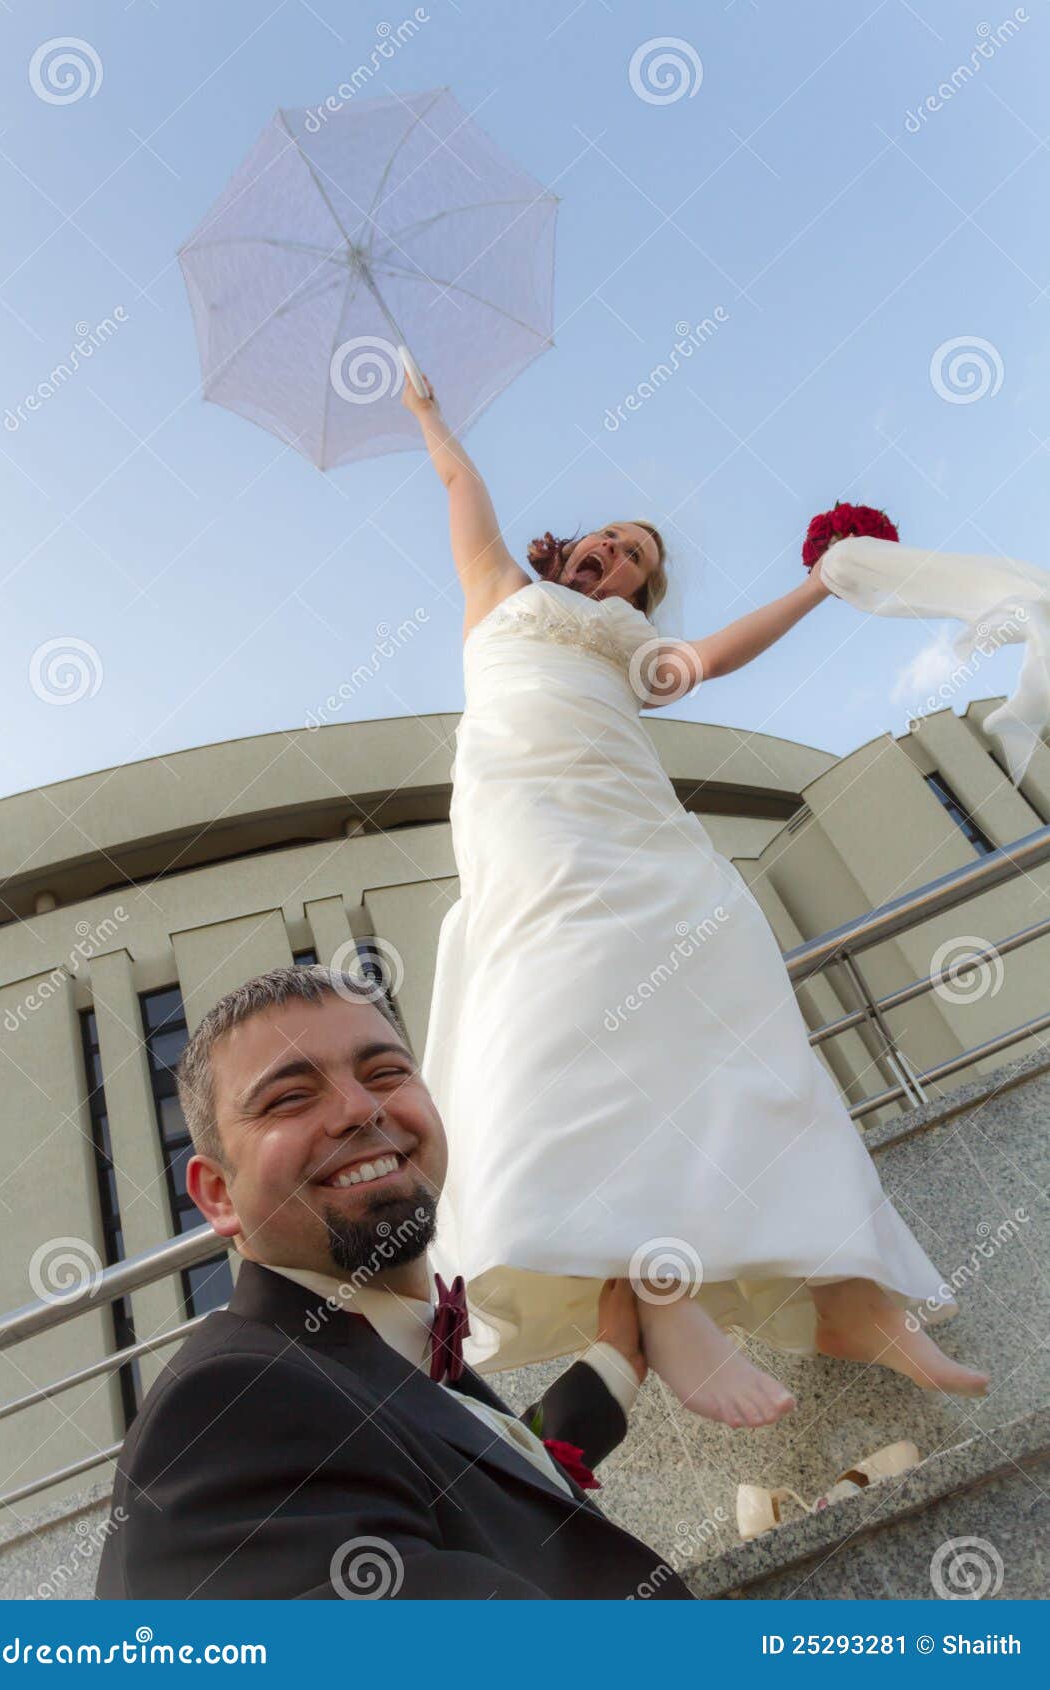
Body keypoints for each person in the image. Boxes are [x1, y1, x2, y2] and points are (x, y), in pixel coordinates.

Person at [404, 369, 990, 1432]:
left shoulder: (636, 653)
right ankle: (652, 1290)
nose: (618, 554)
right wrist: (427, 410)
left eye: (639, 558)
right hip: (530, 820)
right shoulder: (497, 591)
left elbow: (718, 654)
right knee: (569, 1012)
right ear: (570, 546)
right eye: (611, 538)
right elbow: (456, 480)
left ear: (635, 591)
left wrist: (821, 580)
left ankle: (856, 1301)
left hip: (643, 830)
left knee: (725, 1018)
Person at [94, 966, 692, 1601]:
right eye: (291, 1097)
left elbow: (470, 1476)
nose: (361, 1108)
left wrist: (614, 1362)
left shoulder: (360, 1369)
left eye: (385, 1073)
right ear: (218, 1196)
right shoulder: (228, 1406)